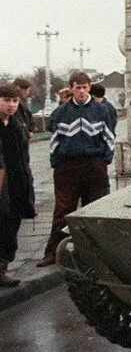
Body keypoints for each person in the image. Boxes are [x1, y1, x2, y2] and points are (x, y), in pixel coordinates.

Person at [38, 72, 114, 267]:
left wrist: (104, 160)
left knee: (93, 209)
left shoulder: (100, 110)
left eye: (84, 87)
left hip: (94, 164)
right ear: (70, 88)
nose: (81, 91)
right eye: (77, 87)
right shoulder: (61, 112)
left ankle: (94, 254)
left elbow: (109, 138)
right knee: (63, 209)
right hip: (67, 166)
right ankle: (53, 252)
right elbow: (54, 140)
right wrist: (56, 162)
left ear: (89, 88)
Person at [0, 84, 35, 286]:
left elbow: (22, 153)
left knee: (11, 225)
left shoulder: (16, 123)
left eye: (14, 101)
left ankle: (2, 267)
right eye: (6, 100)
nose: (11, 105)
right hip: (2, 182)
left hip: (17, 182)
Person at [12, 78, 34, 142]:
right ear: (22, 90)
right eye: (28, 90)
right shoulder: (14, 107)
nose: (28, 93)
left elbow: (31, 119)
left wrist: (29, 131)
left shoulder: (22, 106)